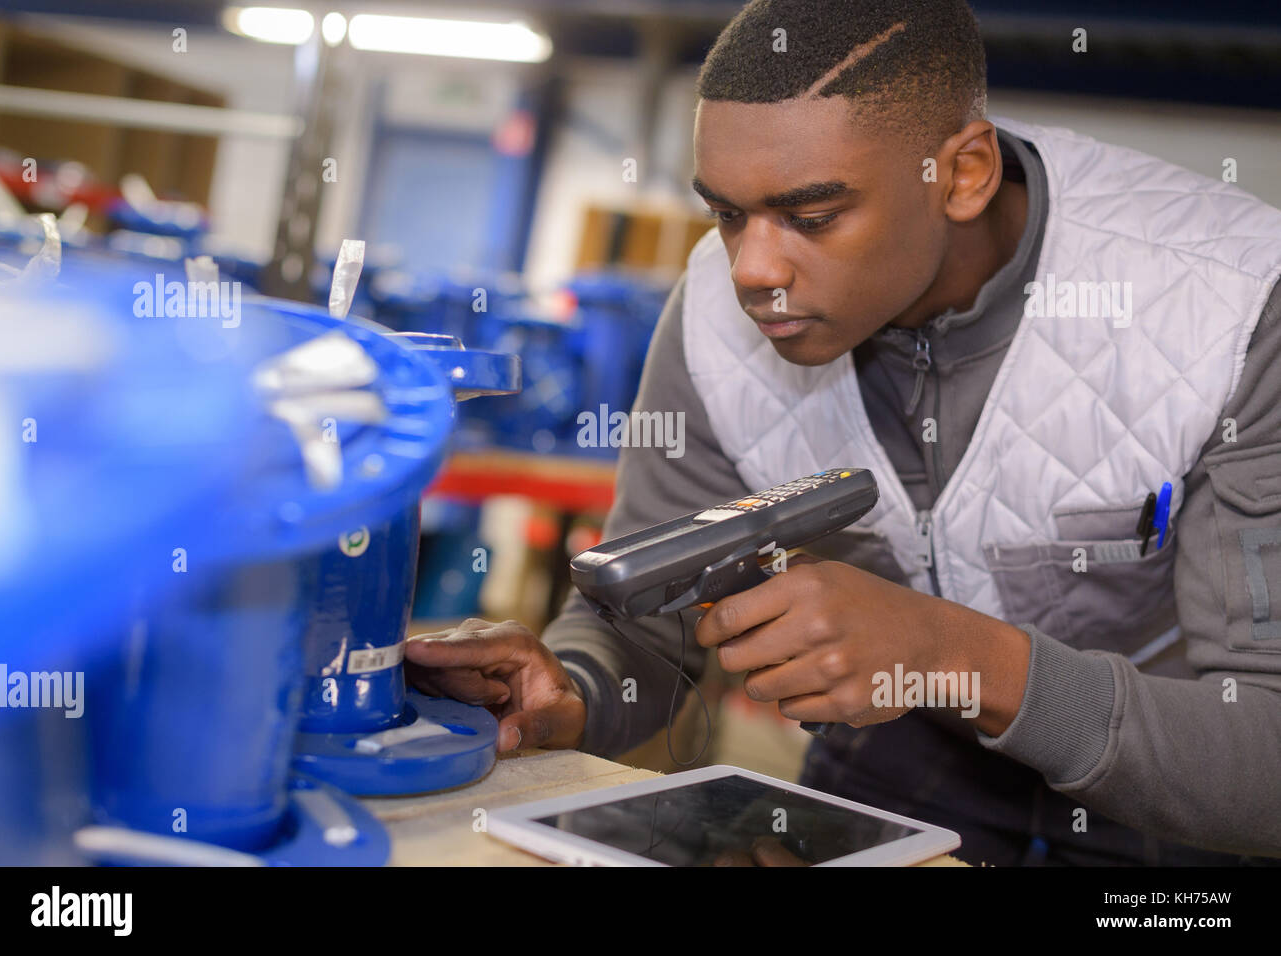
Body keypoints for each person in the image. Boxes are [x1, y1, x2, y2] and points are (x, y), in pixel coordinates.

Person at [405, 0, 1281, 866]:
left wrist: (951, 654)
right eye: (727, 214)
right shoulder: (713, 318)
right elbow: (645, 630)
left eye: (812, 218)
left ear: (964, 175)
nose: (752, 272)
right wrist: (578, 690)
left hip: (1162, 828)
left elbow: (1265, 759)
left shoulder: (1226, 306)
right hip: (885, 790)